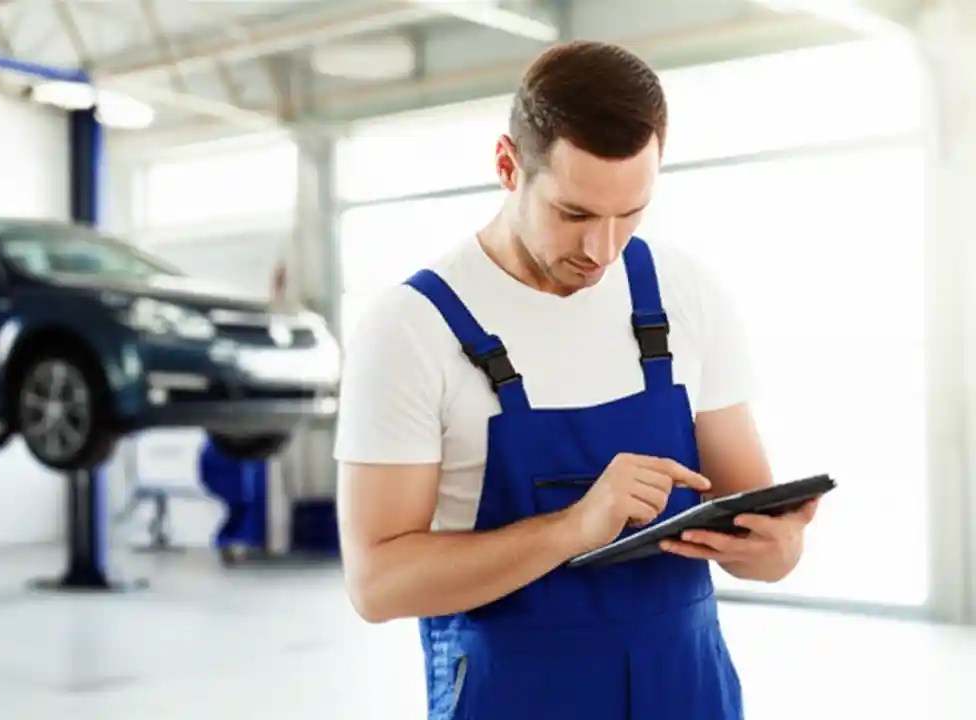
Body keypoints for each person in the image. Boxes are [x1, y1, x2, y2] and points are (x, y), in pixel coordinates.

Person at [332, 40, 820, 719]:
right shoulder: (412, 329)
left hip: (689, 689)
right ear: (508, 166)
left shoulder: (686, 293)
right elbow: (377, 583)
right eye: (575, 214)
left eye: (631, 212)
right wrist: (575, 527)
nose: (602, 249)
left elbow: (756, 536)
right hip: (515, 697)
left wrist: (780, 548)